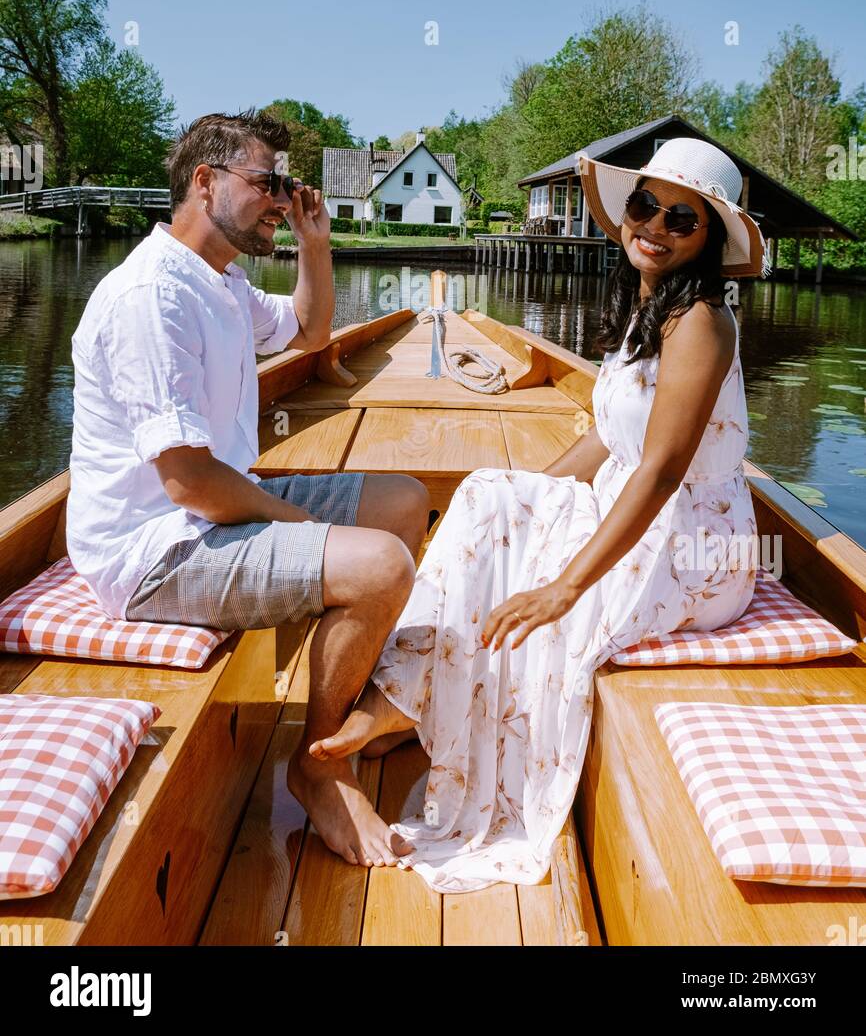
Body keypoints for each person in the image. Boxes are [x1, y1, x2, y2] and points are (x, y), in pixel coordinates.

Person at [310, 137, 772, 893]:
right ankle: (408, 695)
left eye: (680, 216)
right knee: (492, 499)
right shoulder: (656, 305)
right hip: (640, 508)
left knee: (546, 582)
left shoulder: (702, 323)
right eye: (643, 203)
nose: (653, 224)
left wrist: (564, 586)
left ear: (711, 237)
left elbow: (658, 472)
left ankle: (403, 705)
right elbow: (606, 437)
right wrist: (517, 497)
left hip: (692, 549)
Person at [66, 111, 429, 870]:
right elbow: (187, 480)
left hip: (213, 509)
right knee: (380, 566)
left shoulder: (220, 281)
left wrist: (315, 245)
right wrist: (297, 523)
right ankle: (319, 763)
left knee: (403, 500)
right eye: (268, 183)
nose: (280, 197)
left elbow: (308, 331)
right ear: (205, 181)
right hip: (153, 550)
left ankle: (359, 701)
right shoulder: (149, 299)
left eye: (285, 184)